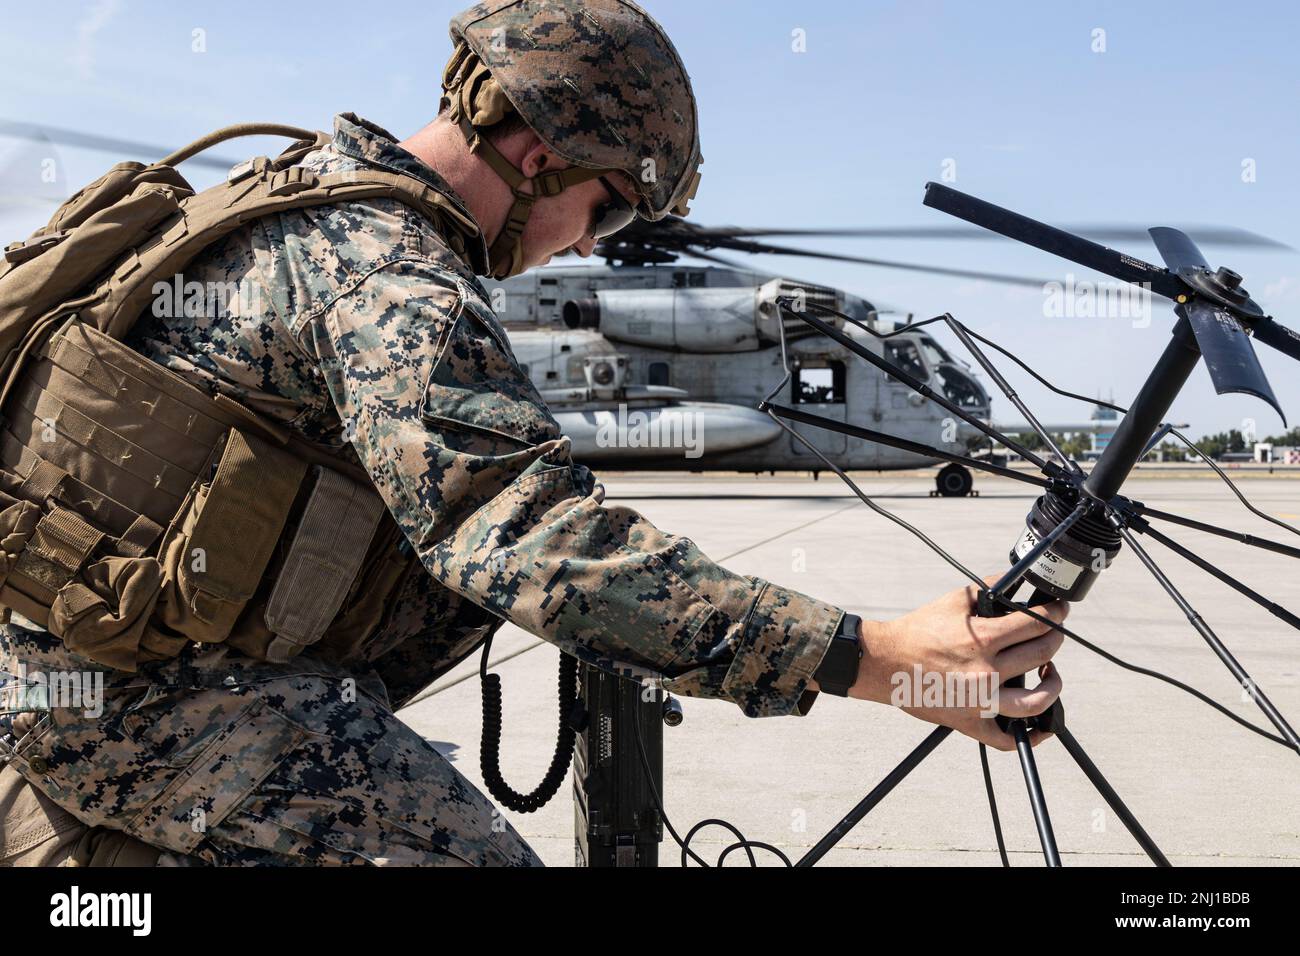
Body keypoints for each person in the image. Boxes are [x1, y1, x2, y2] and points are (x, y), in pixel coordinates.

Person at [0, 0, 1065, 867]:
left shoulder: (290, 196)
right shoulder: (386, 272)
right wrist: (874, 654)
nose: (580, 246)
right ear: (537, 150)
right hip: (144, 703)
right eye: (602, 212)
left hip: (75, 666)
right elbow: (528, 537)